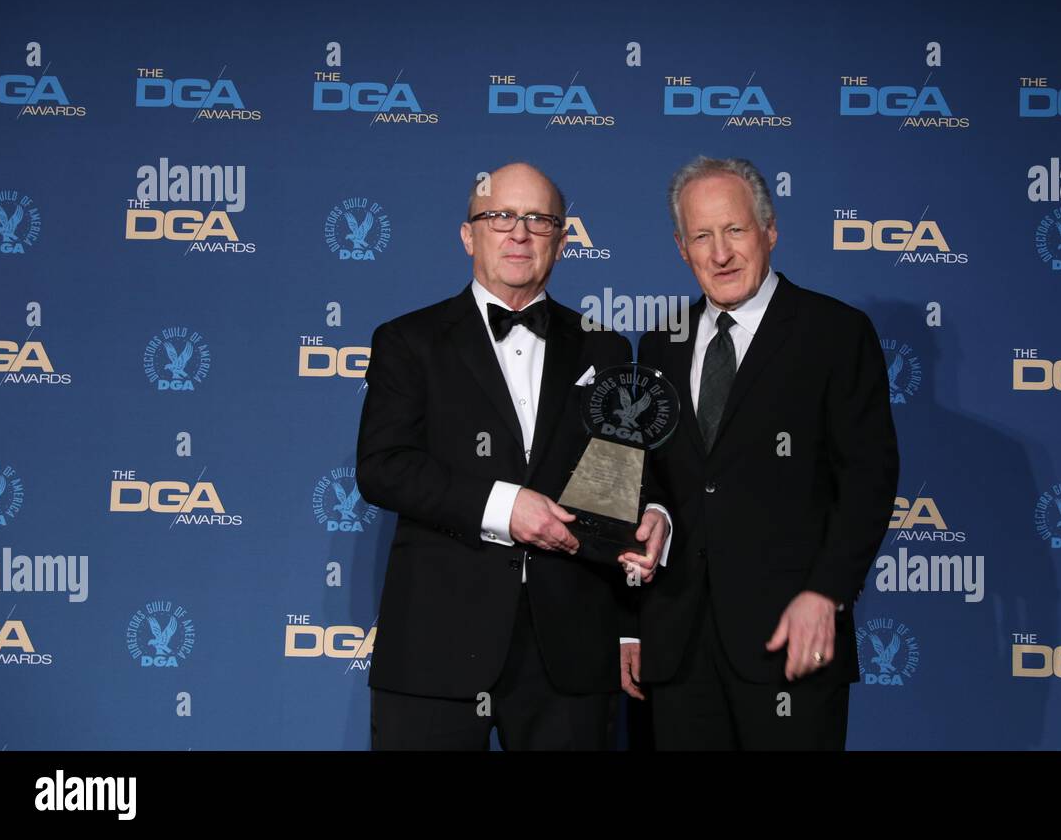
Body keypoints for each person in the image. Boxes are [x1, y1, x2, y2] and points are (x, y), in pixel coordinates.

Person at [357, 162, 669, 750]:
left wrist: (630, 617)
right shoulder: (407, 341)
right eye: (499, 216)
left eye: (538, 219)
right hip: (436, 645)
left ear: (564, 238)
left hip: (569, 651)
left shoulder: (605, 345)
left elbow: (612, 489)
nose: (518, 233)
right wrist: (506, 508)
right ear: (468, 234)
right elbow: (384, 466)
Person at [633, 155, 898, 750]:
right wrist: (657, 513)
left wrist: (826, 592)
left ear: (770, 231)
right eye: (702, 236)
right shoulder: (659, 344)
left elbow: (869, 479)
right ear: (682, 247)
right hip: (680, 648)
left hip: (790, 638)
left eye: (735, 230)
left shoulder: (834, 333)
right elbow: (648, 472)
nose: (720, 252)